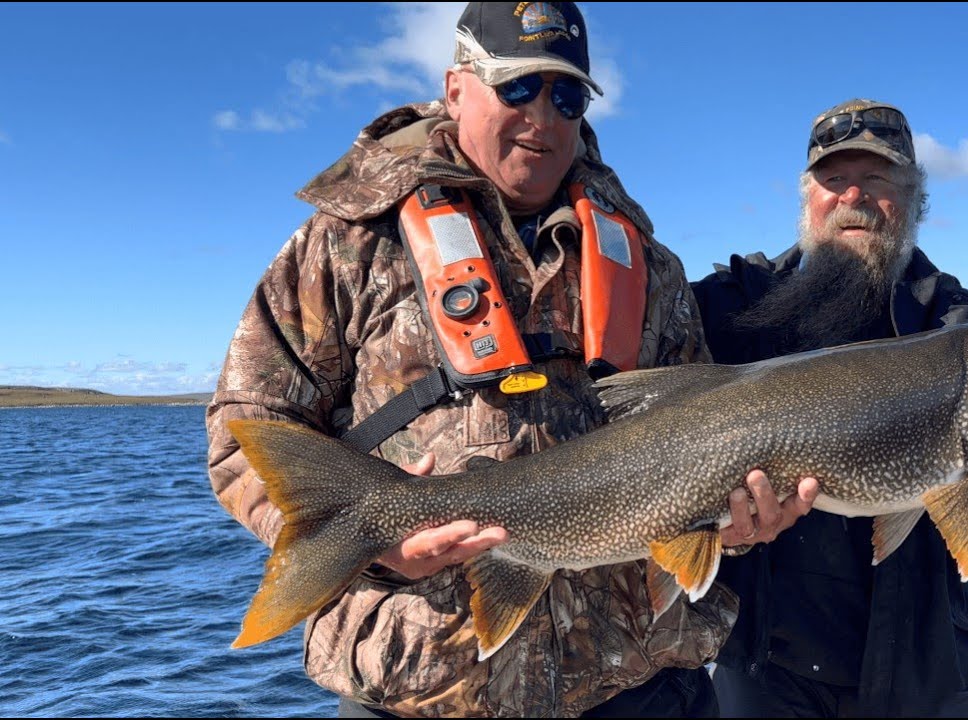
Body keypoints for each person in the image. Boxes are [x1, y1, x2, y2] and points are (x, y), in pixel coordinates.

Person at [206, 3, 792, 716]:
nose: (542, 117)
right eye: (517, 87)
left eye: (567, 96)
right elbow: (244, 431)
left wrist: (736, 527)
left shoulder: (650, 267)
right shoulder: (346, 244)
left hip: (638, 684)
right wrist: (377, 549)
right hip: (419, 685)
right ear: (456, 90)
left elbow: (706, 455)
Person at [691, 99, 968, 717]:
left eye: (877, 179)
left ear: (913, 200)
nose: (854, 196)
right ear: (808, 196)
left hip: (918, 670)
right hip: (760, 665)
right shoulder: (733, 304)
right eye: (834, 179)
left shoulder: (957, 322)